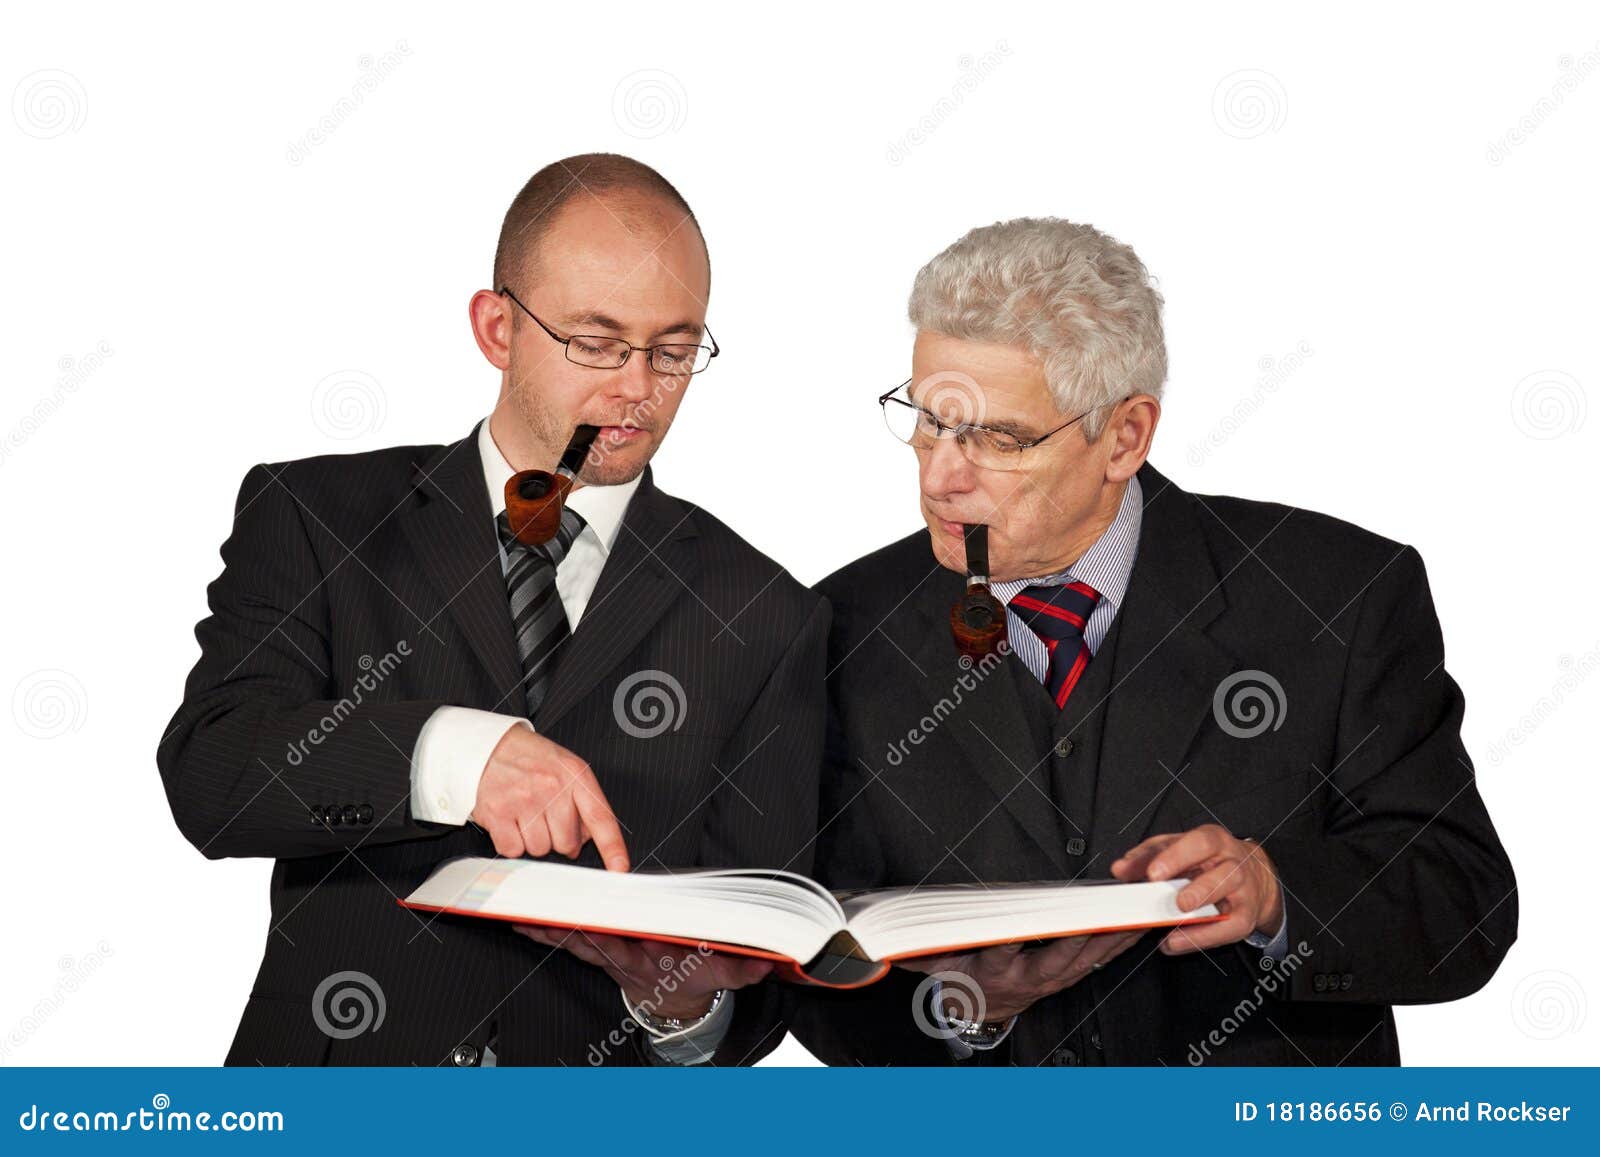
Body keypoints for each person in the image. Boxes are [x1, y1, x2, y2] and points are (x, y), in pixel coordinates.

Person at [787, 216, 1515, 1065]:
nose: (940, 475)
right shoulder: (834, 627)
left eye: (999, 437)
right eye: (929, 420)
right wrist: (967, 1009)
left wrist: (1279, 894)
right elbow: (812, 959)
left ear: (1125, 435)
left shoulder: (1339, 595)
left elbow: (1464, 901)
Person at [157, 153, 826, 1066]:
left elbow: (761, 980)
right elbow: (212, 778)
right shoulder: (318, 516)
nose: (638, 388)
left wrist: (675, 1002)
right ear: (497, 327)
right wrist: (454, 756)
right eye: (597, 342)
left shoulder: (769, 612)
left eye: (674, 351)